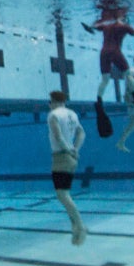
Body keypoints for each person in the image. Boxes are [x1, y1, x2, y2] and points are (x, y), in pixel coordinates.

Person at [81, 12, 134, 103]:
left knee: (105, 80)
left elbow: (93, 27)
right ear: (125, 19)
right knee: (128, 75)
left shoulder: (107, 26)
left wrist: (90, 28)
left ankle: (99, 101)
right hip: (115, 51)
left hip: (104, 53)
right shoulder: (124, 26)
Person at [46, 90, 87, 245]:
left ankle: (80, 226)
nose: (49, 105)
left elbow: (58, 136)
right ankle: (75, 228)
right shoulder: (72, 114)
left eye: (50, 102)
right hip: (70, 158)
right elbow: (82, 133)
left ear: (54, 101)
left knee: (62, 195)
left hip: (61, 157)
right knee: (66, 194)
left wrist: (69, 150)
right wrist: (76, 149)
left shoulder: (53, 115)